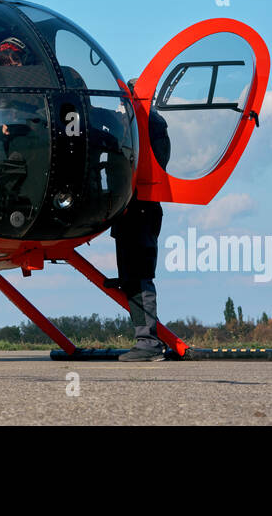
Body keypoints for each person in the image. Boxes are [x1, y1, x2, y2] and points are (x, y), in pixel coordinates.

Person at [113, 103, 171, 361]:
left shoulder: (149, 126)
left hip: (140, 210)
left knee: (139, 276)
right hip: (134, 210)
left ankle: (148, 343)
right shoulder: (149, 128)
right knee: (132, 277)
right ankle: (146, 340)